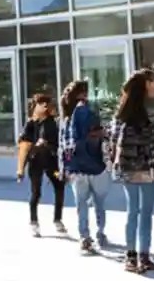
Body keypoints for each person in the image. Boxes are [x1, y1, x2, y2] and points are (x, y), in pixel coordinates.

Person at [110, 69, 154, 273]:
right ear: (145, 84)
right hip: (147, 167)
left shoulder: (122, 111)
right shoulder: (149, 109)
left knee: (132, 211)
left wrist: (115, 163)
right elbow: (152, 142)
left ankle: (131, 256)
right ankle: (144, 255)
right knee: (146, 213)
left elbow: (113, 140)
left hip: (127, 168)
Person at [59, 80, 110, 253]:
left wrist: (65, 168)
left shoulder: (65, 118)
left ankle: (84, 236)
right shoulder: (86, 111)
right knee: (99, 202)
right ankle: (100, 233)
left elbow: (64, 146)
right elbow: (96, 132)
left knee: (81, 204)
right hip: (95, 164)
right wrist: (103, 132)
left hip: (77, 167)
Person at [16, 92, 67, 238]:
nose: (46, 106)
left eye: (48, 104)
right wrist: (20, 169)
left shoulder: (53, 123)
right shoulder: (31, 123)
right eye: (42, 104)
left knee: (59, 186)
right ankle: (34, 222)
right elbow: (24, 146)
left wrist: (49, 146)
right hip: (36, 162)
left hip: (52, 162)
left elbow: (59, 143)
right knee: (36, 192)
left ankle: (58, 219)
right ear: (36, 106)